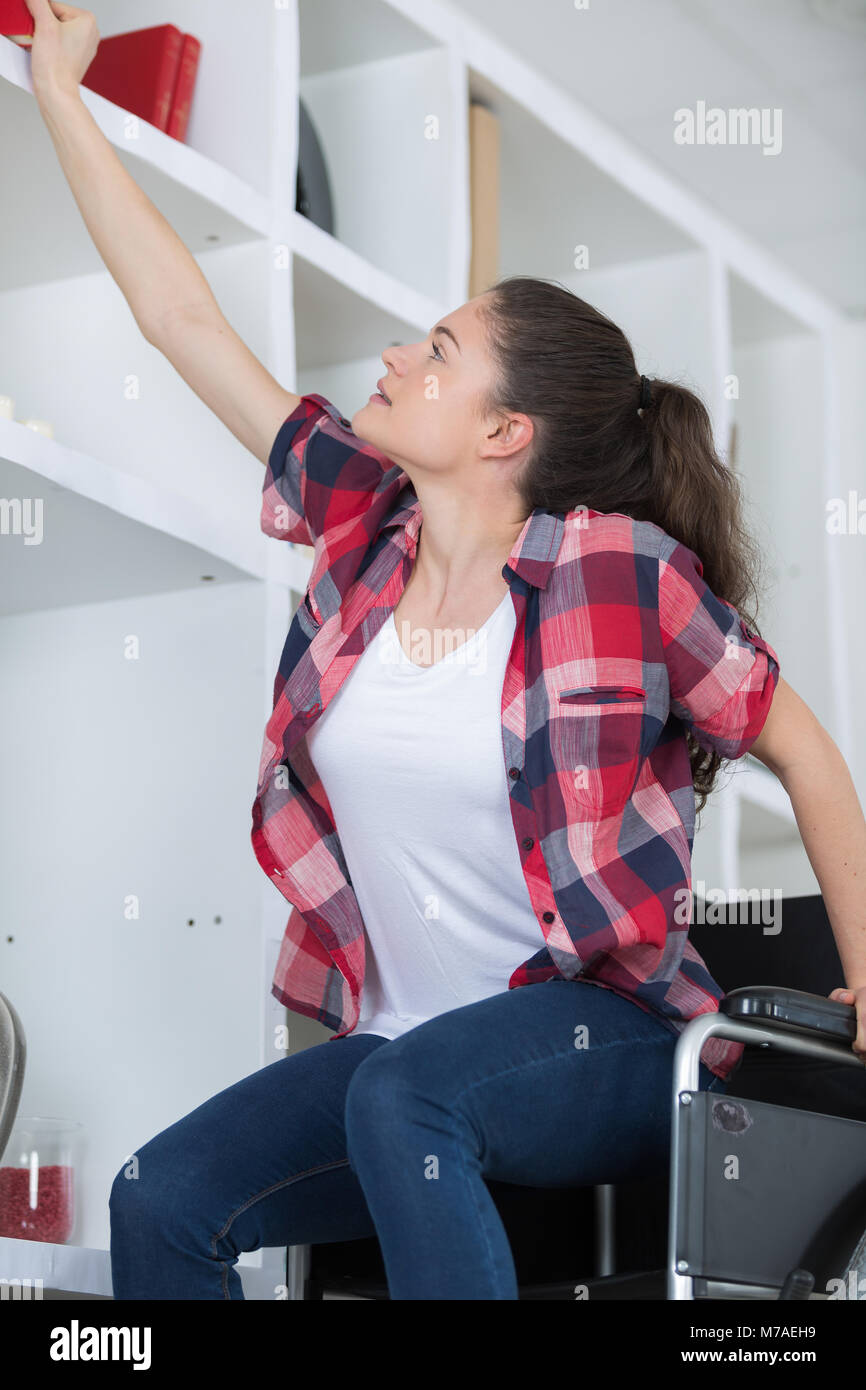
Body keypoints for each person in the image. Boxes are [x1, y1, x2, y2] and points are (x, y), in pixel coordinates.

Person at [25, 0, 866, 1302]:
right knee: (168, 1195)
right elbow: (180, 319)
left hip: (614, 1035)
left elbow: (809, 756)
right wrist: (60, 93)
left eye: (436, 351)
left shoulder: (621, 577)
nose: (394, 354)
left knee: (410, 1098)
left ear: (503, 432)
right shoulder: (361, 521)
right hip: (404, 1050)